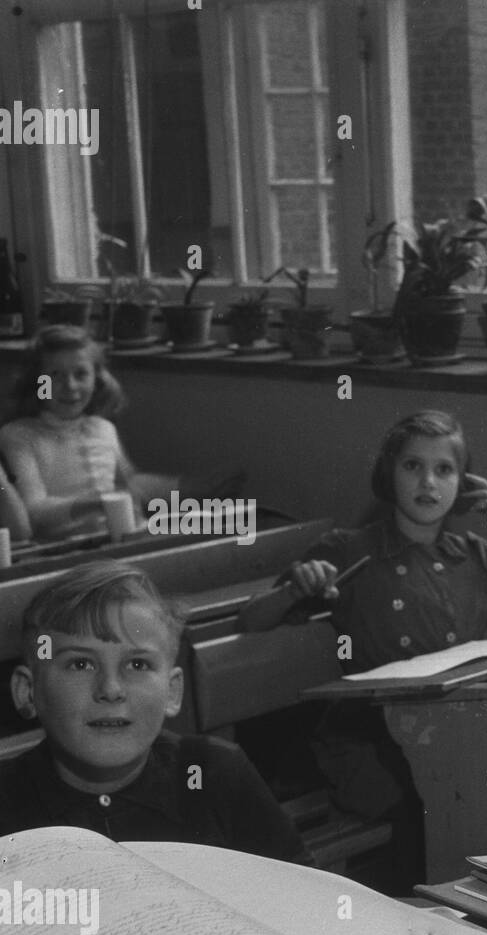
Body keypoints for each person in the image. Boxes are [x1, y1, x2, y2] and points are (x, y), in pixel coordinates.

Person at [238, 410, 487, 865]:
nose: (428, 483)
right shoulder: (350, 549)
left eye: (444, 470)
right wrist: (297, 585)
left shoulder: (473, 556)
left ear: (464, 483)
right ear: (389, 473)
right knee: (453, 799)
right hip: (374, 742)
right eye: (412, 466)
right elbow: (253, 620)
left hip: (458, 728)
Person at [0, 561, 310, 863]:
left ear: (172, 692)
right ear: (28, 692)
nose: (111, 689)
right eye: (80, 664)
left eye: (138, 664)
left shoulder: (216, 774)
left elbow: (304, 899)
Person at [0, 325, 142, 540]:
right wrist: (96, 504)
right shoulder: (19, 436)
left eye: (81, 374)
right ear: (37, 383)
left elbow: (131, 487)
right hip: (63, 552)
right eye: (55, 375)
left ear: (97, 379)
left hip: (118, 541)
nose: (70, 385)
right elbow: (35, 511)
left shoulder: (104, 429)